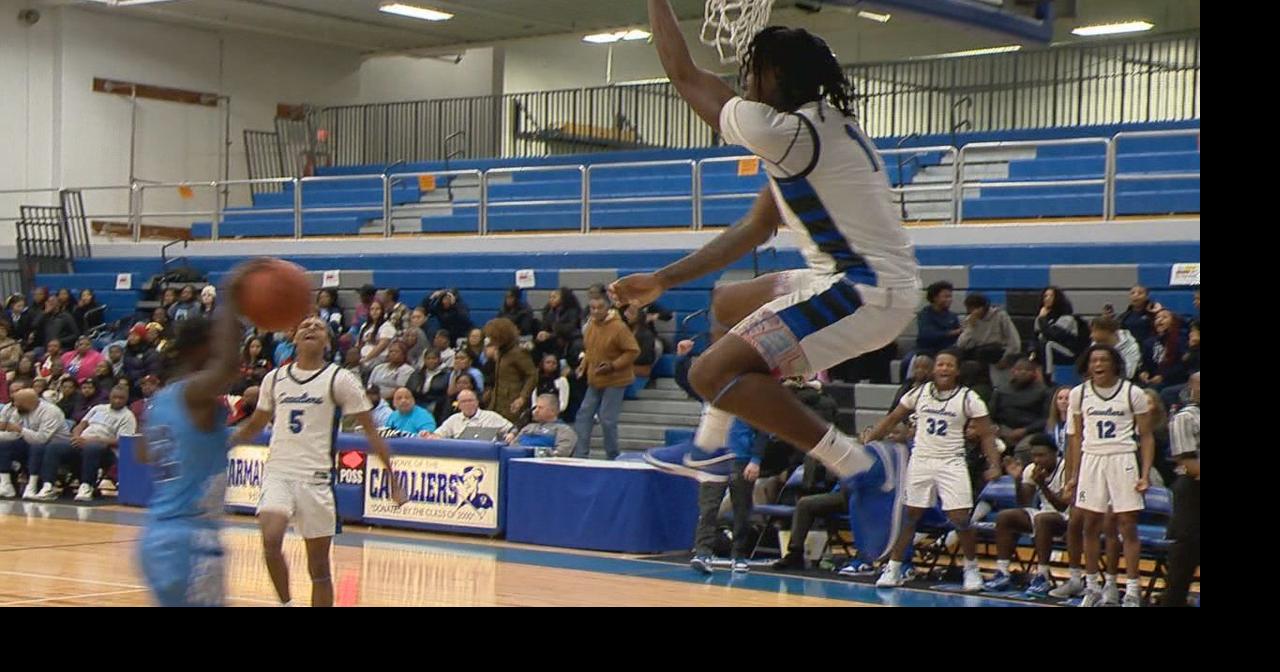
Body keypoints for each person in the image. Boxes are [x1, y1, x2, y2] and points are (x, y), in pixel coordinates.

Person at [614, 3, 921, 488]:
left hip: (864, 293)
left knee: (706, 373)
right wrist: (661, 280)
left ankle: (860, 464)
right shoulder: (821, 128)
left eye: (751, 71)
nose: (744, 83)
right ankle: (712, 446)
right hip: (859, 280)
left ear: (775, 74)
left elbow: (684, 76)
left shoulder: (788, 133)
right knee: (728, 302)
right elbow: (753, 230)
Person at [230, 315, 405, 607]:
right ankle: (286, 603)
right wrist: (221, 444)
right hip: (279, 473)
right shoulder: (274, 378)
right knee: (270, 540)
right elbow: (254, 425)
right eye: (305, 326)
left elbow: (372, 433)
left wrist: (392, 478)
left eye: (318, 327)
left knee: (319, 569)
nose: (311, 328)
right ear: (294, 339)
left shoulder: (340, 379)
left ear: (327, 342)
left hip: (317, 479)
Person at [132, 266, 251, 606]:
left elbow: (144, 453)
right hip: (190, 539)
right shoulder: (192, 393)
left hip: (156, 536)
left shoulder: (160, 400)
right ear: (201, 349)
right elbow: (228, 368)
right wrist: (229, 297)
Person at [859, 350, 1000, 591]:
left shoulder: (968, 398)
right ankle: (893, 569)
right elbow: (893, 418)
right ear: (934, 369)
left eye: (949, 365)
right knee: (910, 515)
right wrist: (870, 438)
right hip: (922, 460)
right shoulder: (919, 392)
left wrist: (995, 464)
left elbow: (986, 434)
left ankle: (971, 570)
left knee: (961, 518)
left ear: (957, 371)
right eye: (940, 364)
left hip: (951, 461)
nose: (944, 369)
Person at [1063, 344, 1154, 608]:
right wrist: (1073, 475)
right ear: (1088, 365)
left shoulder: (1132, 393)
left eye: (1103, 359)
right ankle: (1093, 587)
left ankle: (1133, 590)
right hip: (1092, 458)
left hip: (1123, 458)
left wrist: (1145, 474)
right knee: (1090, 524)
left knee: (1127, 525)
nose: (1098, 364)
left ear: (1114, 364)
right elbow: (1077, 438)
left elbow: (1146, 437)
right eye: (1093, 360)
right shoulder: (1079, 394)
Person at [981, 434, 1071, 595]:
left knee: (1042, 519)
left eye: (1042, 455)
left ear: (1055, 454)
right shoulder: (1031, 469)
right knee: (1005, 517)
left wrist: (1042, 485)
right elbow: (1024, 503)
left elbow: (1062, 506)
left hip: (1067, 519)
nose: (1037, 459)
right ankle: (1003, 572)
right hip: (1043, 515)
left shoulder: (1066, 468)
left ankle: (1042, 575)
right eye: (1034, 455)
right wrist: (1017, 479)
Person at [572, 298, 639, 460]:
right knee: (583, 414)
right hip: (595, 378)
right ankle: (581, 455)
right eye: (592, 307)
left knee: (607, 418)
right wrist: (584, 363)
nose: (595, 311)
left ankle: (613, 456)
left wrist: (613, 365)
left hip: (616, 379)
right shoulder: (590, 326)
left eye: (599, 307)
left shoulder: (619, 327)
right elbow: (590, 349)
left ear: (608, 307)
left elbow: (633, 351)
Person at [1162, 372, 1199, 607]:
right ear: (1192, 388)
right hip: (1192, 491)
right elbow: (1189, 462)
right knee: (1184, 556)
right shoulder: (1184, 417)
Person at [66, 385, 137, 501]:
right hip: (82, 441)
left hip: (106, 450)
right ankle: (46, 484)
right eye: (115, 397)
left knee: (92, 448)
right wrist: (76, 437)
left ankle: (87, 486)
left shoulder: (128, 416)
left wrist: (90, 441)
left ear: (126, 399)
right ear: (110, 397)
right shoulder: (98, 408)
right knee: (55, 447)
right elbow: (81, 425)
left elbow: (122, 441)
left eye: (121, 398)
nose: (117, 400)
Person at [482, 318, 537, 425]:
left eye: (493, 337)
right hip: (497, 401)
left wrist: (522, 397)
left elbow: (532, 375)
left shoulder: (518, 353)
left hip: (513, 401)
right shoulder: (500, 352)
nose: (490, 340)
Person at [956, 293, 1021, 369]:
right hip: (977, 348)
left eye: (975, 308)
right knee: (957, 353)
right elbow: (962, 345)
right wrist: (970, 327)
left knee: (983, 352)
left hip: (996, 349)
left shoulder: (1000, 316)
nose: (973, 312)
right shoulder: (970, 320)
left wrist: (1006, 358)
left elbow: (1014, 340)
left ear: (983, 307)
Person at [507, 393, 578, 457]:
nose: (536, 411)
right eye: (536, 407)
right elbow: (513, 447)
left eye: (540, 408)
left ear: (552, 411)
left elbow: (561, 454)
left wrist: (534, 453)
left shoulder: (564, 430)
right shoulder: (528, 428)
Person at [434, 389, 514, 440]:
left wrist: (511, 434)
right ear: (458, 405)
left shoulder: (491, 416)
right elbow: (437, 434)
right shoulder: (453, 419)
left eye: (470, 400)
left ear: (477, 402)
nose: (468, 404)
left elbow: (513, 429)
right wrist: (429, 435)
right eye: (464, 402)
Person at [916, 280, 961, 357]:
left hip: (948, 350)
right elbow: (927, 335)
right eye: (946, 297)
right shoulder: (925, 315)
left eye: (950, 296)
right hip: (926, 350)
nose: (950, 300)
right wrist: (951, 333)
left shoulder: (953, 316)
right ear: (935, 298)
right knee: (906, 362)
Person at [1089, 316, 1141, 381]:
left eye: (1094, 331)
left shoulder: (1131, 347)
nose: (1091, 335)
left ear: (1106, 331)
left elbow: (1129, 373)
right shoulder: (1094, 345)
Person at [532, 353, 570, 417]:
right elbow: (534, 401)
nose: (551, 365)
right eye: (548, 362)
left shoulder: (561, 380)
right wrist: (537, 412)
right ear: (542, 364)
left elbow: (563, 403)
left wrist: (550, 412)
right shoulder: (537, 380)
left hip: (556, 416)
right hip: (538, 415)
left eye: (554, 363)